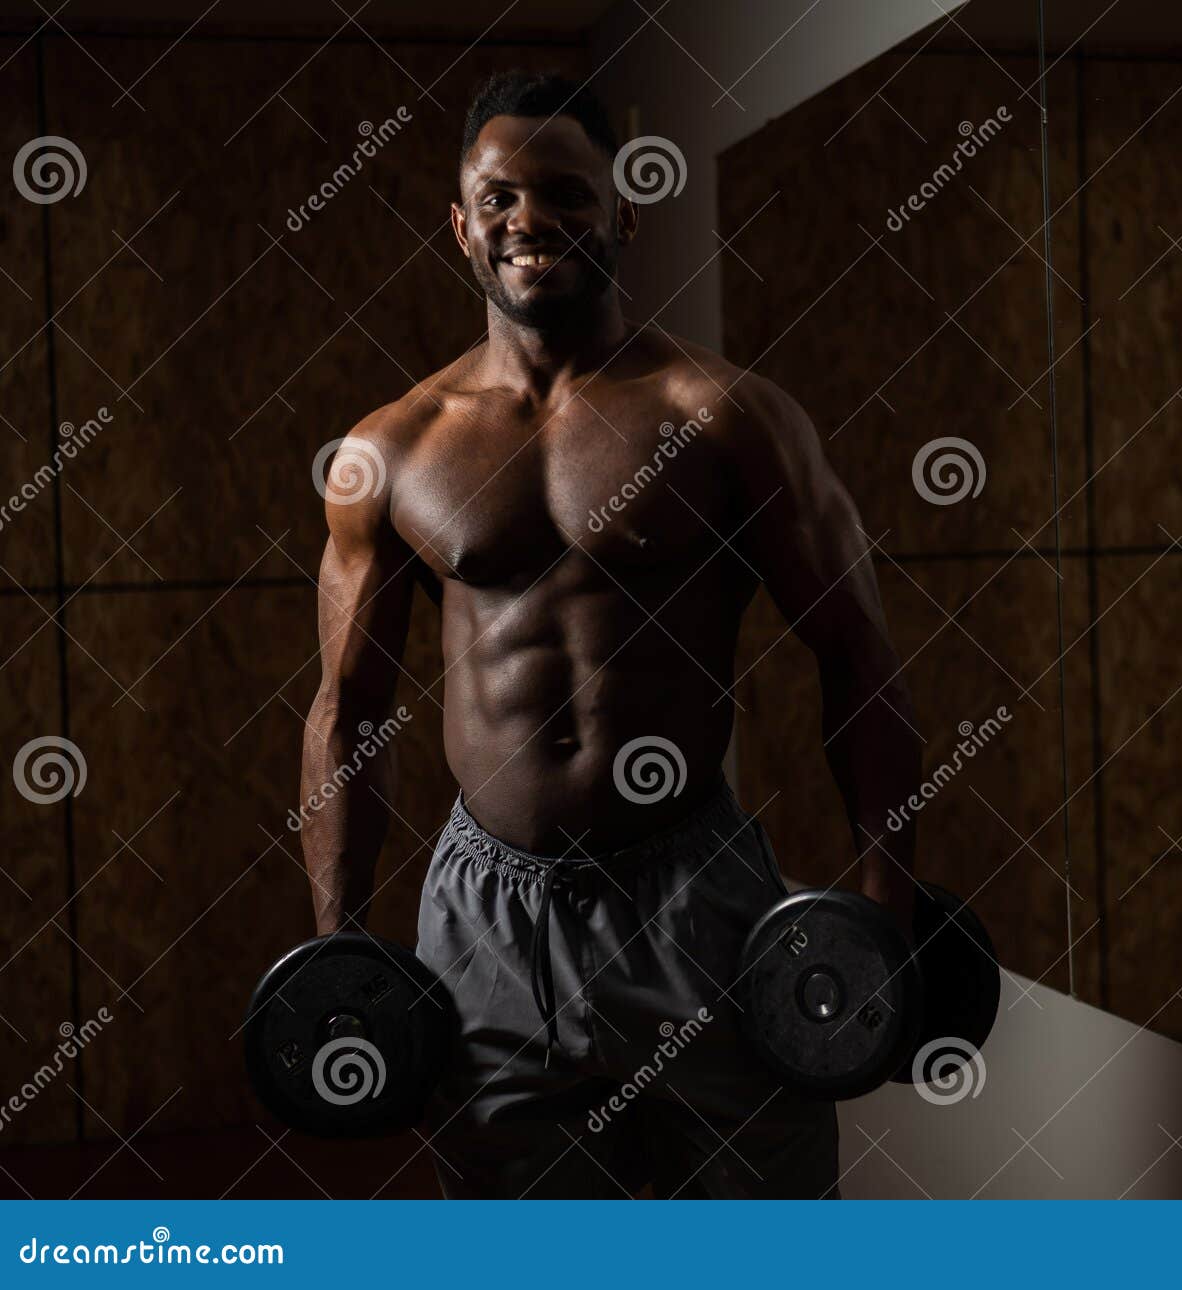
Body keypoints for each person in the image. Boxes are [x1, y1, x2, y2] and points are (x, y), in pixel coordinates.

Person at [297, 69, 920, 1199]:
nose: (528, 220)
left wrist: (885, 899)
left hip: (691, 887)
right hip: (484, 913)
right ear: (460, 228)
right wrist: (338, 945)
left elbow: (853, 654)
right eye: (497, 200)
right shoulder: (391, 451)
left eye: (565, 195)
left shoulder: (725, 417)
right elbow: (349, 707)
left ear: (624, 213)